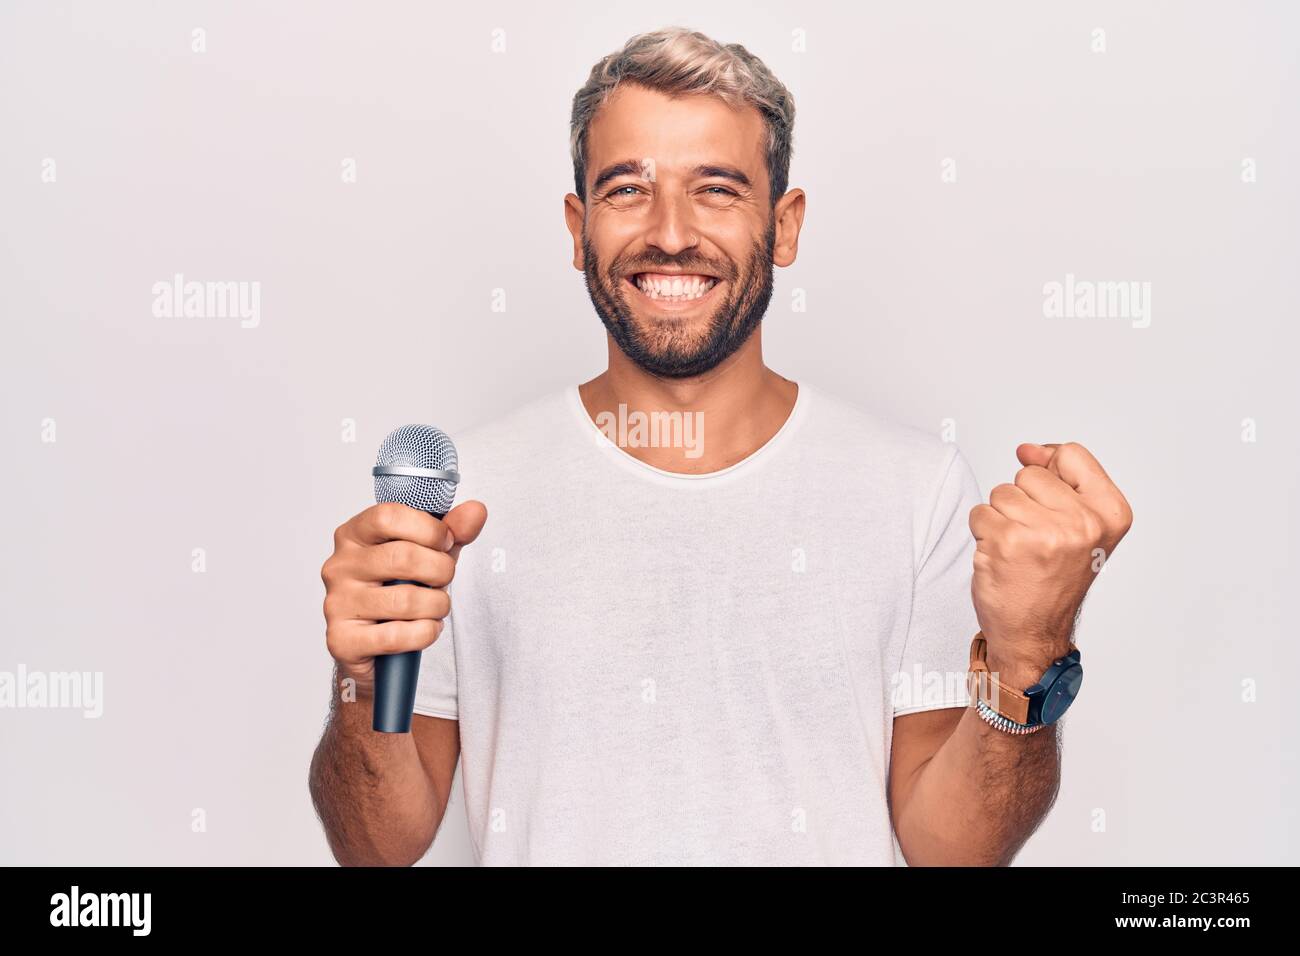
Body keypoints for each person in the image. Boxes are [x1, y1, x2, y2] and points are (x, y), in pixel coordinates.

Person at [309, 26, 1133, 866]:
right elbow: (376, 850)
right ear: (577, 225)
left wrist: (1028, 657)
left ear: (784, 225)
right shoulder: (461, 503)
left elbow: (953, 850)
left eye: (717, 189)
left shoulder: (915, 488)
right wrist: (361, 688)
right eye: (627, 189)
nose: (671, 232)